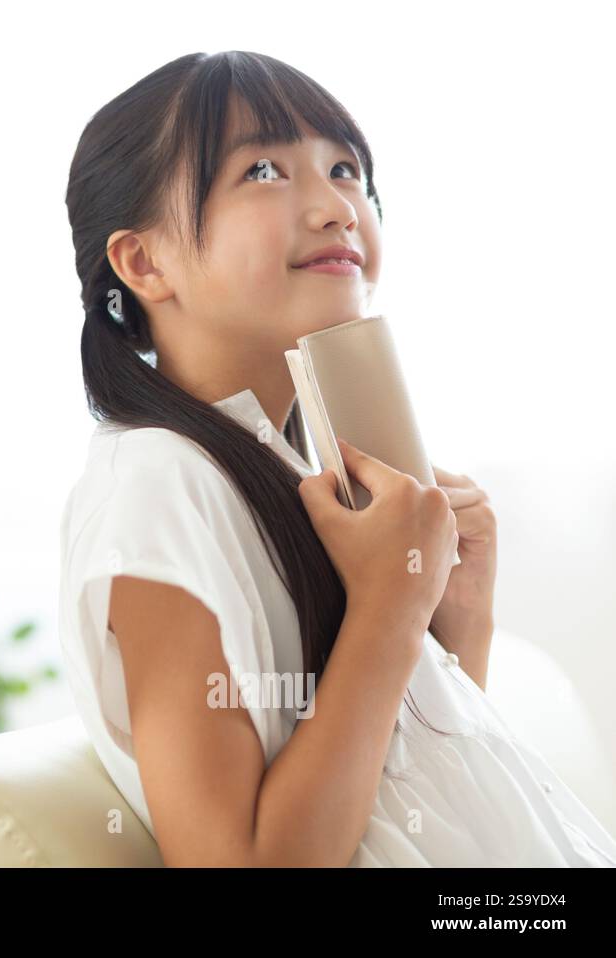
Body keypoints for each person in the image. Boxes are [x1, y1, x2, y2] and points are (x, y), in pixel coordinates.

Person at [58, 50, 616, 867]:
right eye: (262, 171)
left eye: (346, 168)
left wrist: (452, 622)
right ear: (143, 263)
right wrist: (390, 604)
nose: (335, 207)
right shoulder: (159, 485)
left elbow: (413, 802)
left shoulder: (289, 474)